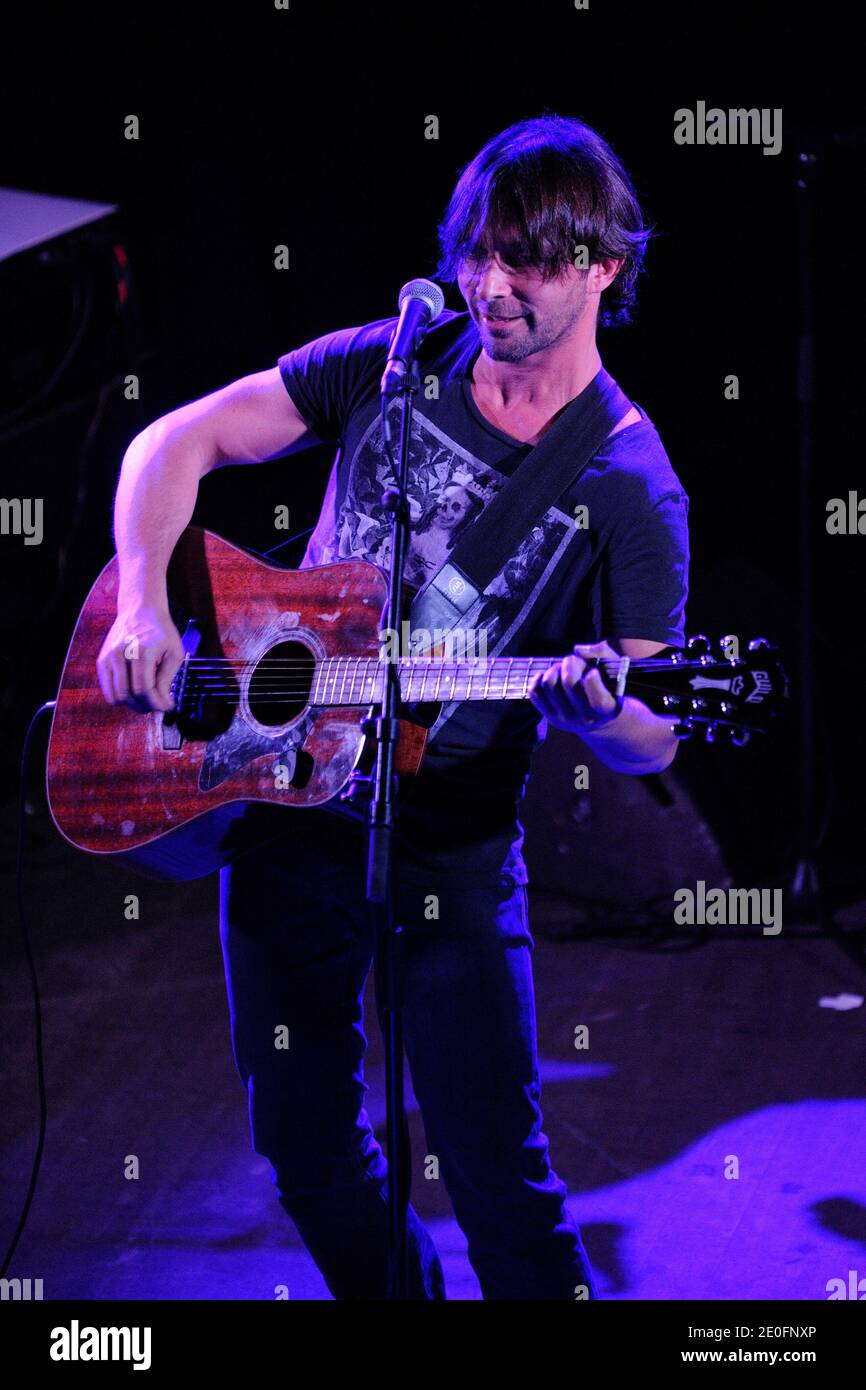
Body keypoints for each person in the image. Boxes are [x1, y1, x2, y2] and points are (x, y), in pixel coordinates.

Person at [96, 113, 689, 1300]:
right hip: (282, 813)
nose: (489, 288)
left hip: (450, 844)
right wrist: (142, 610)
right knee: (303, 1147)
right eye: (475, 254)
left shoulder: (627, 480)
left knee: (496, 1180)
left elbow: (653, 725)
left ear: (603, 265)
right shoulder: (393, 357)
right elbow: (178, 440)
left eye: (526, 264)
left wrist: (588, 711)